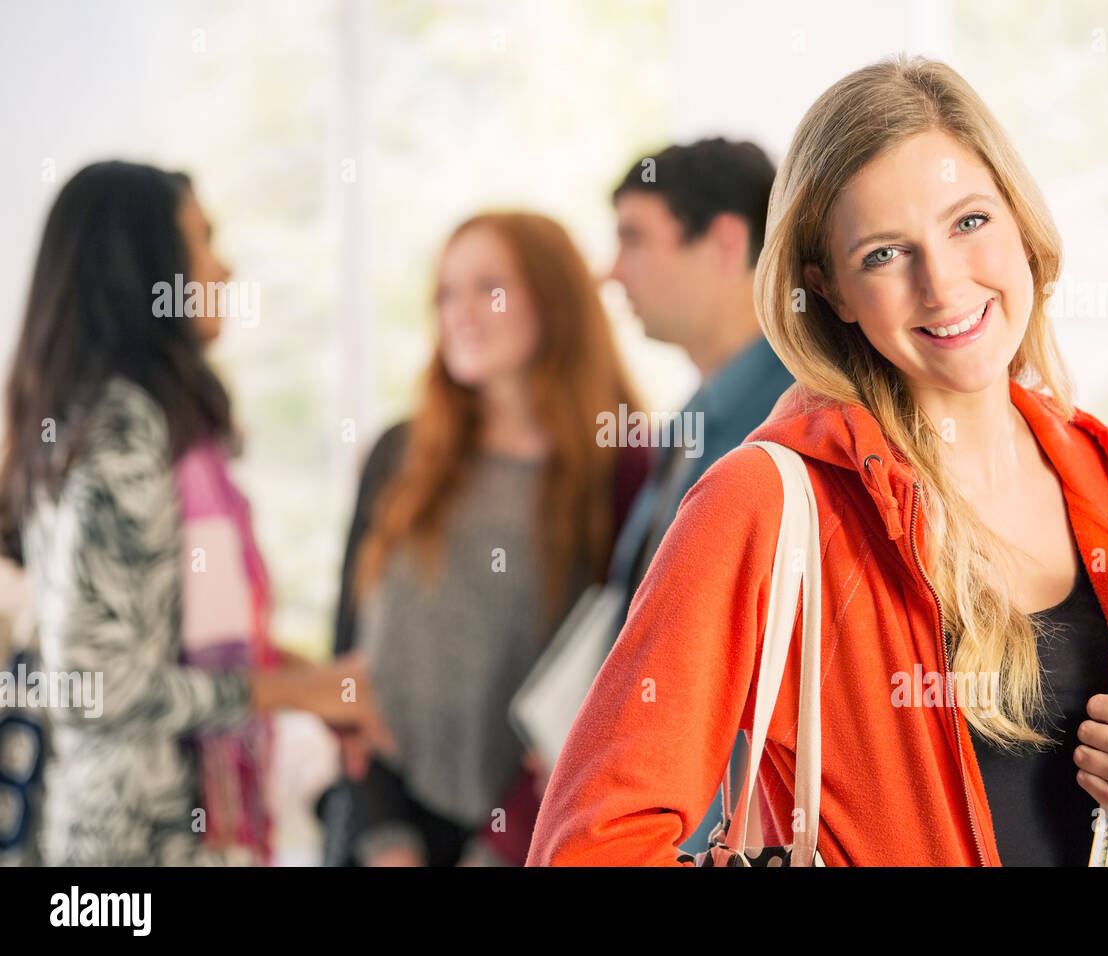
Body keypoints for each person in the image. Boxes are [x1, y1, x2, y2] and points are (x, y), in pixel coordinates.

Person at [526, 55, 1108, 866]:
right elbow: (588, 846)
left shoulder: (1107, 477)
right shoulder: (763, 503)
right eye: (883, 254)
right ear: (828, 290)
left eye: (969, 221)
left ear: (1019, 219)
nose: (942, 284)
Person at [0, 160, 392, 866]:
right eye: (202, 241)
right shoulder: (123, 430)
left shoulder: (139, 423)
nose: (223, 267)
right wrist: (296, 689)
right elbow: (95, 687)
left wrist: (318, 683)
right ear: (145, 269)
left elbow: (164, 635)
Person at [320, 212, 649, 867]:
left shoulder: (625, 469)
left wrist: (502, 848)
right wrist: (387, 842)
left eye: (488, 288)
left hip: (533, 837)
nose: (460, 312)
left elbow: (613, 690)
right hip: (380, 828)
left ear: (554, 299)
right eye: (446, 292)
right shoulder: (399, 454)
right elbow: (348, 665)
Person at [521, 138, 795, 857]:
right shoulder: (689, 424)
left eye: (635, 238)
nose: (612, 272)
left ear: (726, 241)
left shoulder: (794, 423)